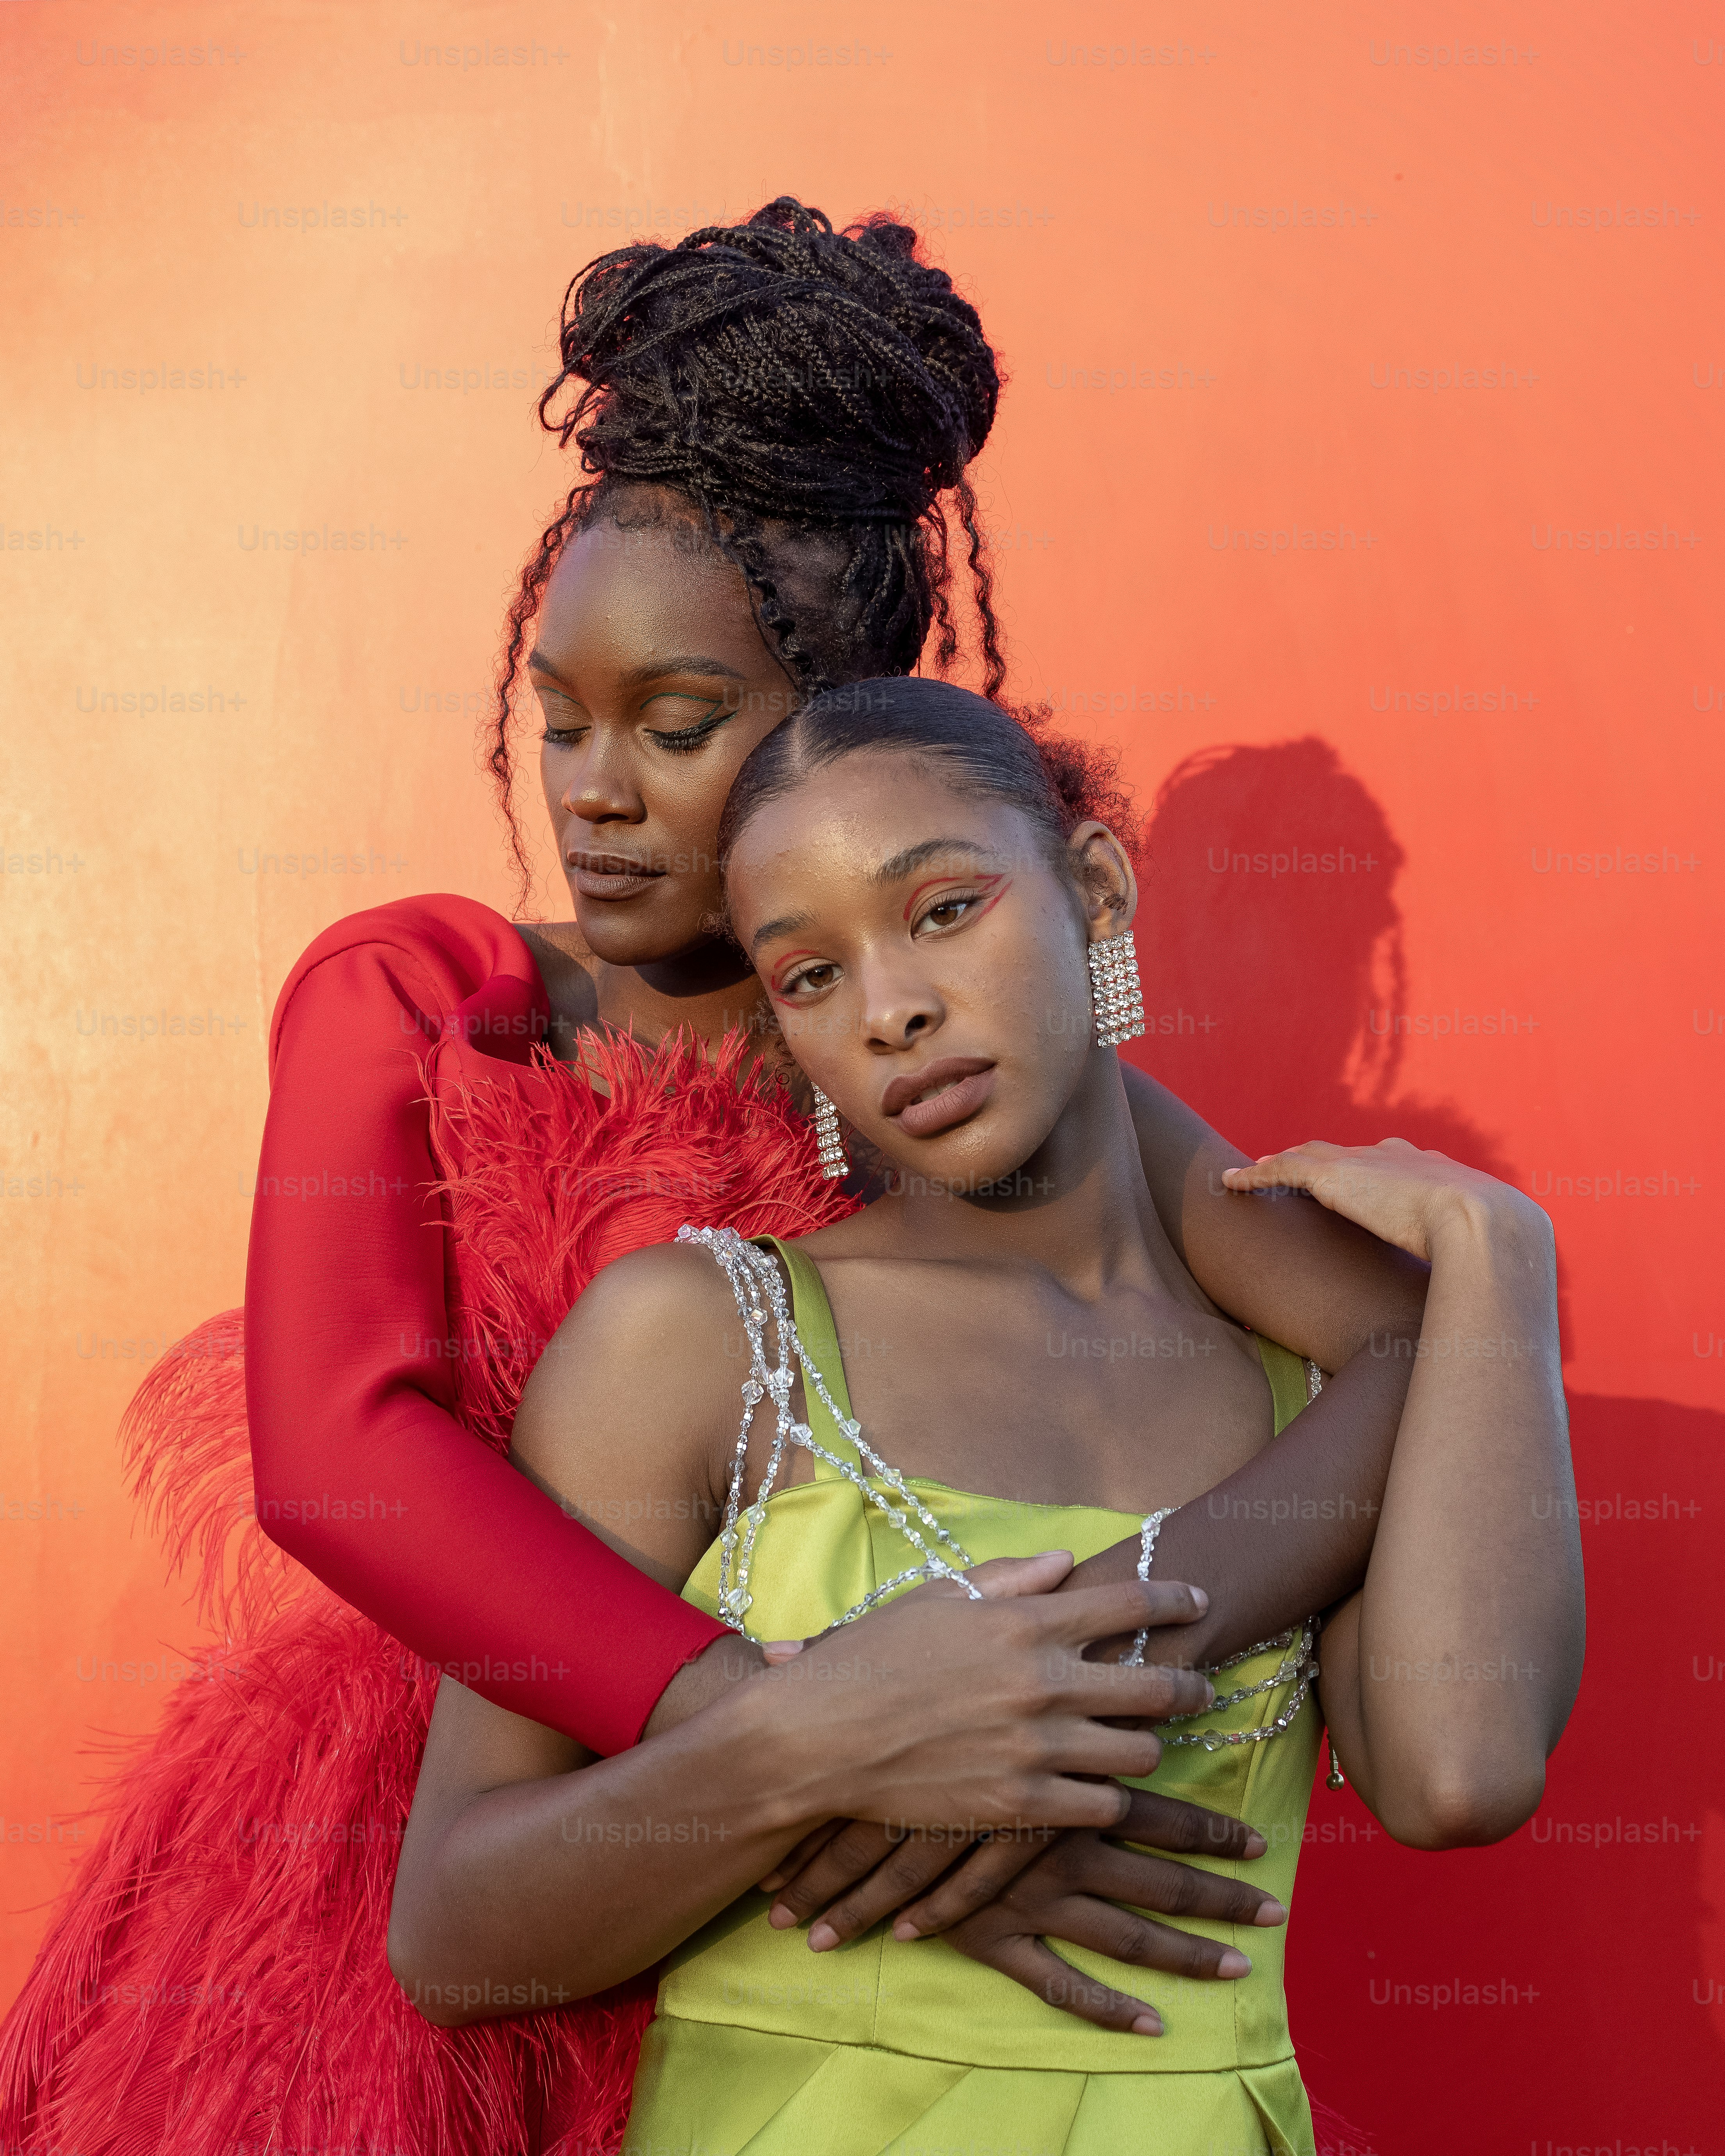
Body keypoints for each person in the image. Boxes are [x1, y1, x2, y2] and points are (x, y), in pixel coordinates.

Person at [0, 204, 1424, 2156]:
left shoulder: (943, 1064)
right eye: (558, 718)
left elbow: (1404, 1352)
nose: (593, 787)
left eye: (675, 729)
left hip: (821, 1965)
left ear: (829, 726)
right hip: (430, 1861)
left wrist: (1074, 1661)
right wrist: (815, 1748)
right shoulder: (429, 994)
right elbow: (339, 1454)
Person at [390, 680, 1584, 2156]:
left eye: (944, 910)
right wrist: (810, 1748)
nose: (890, 1008)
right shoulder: (700, 1339)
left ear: (1094, 885)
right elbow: (453, 1936)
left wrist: (1501, 1264)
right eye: (809, 976)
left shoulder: (1304, 1393)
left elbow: (1458, 1777)